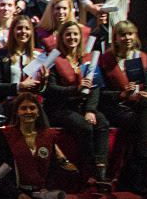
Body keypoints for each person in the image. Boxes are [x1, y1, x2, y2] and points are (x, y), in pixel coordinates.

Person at [45, 21, 112, 189]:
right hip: (61, 108)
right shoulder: (54, 59)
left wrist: (90, 110)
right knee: (85, 127)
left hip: (82, 106)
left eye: (75, 34)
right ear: (61, 37)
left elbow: (95, 87)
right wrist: (76, 89)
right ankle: (90, 173)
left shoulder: (87, 59)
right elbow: (51, 90)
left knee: (102, 123)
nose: (72, 37)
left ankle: (101, 171)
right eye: (68, 34)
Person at [98, 20, 147, 196]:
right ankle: (139, 162)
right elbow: (100, 93)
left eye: (130, 34)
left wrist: (146, 94)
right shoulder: (106, 60)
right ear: (115, 38)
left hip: (136, 105)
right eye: (122, 34)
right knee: (136, 121)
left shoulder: (140, 57)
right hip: (114, 106)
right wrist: (122, 94)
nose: (127, 38)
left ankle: (139, 156)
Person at [4, 92, 72, 199]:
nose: (28, 112)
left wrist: (46, 188)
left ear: (39, 112)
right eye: (23, 108)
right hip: (16, 195)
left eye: (32, 108)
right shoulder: (6, 135)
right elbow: (2, 171)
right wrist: (17, 194)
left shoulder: (48, 135)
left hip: (42, 194)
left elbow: (52, 167)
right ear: (17, 112)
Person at [0, 14, 42, 105]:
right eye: (19, 28)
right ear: (12, 31)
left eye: (27, 28)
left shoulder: (38, 56)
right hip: (8, 103)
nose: (23, 31)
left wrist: (44, 79)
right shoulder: (1, 54)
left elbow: (42, 89)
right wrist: (20, 86)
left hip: (32, 103)